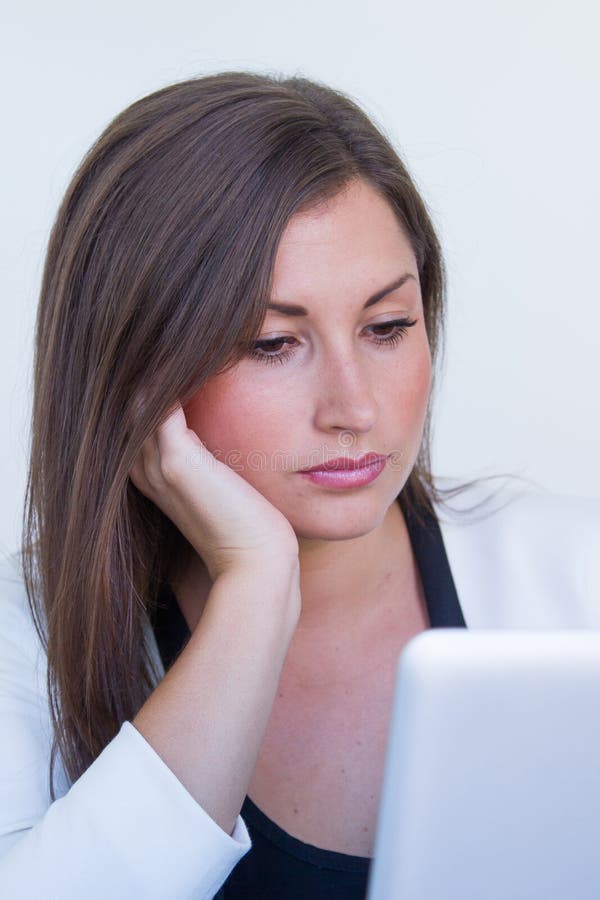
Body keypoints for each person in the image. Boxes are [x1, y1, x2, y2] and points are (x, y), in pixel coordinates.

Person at [0, 70, 598, 900]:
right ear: (140, 376)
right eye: (273, 344)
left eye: (388, 328)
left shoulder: (577, 575)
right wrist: (255, 590)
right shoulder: (21, 636)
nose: (354, 407)